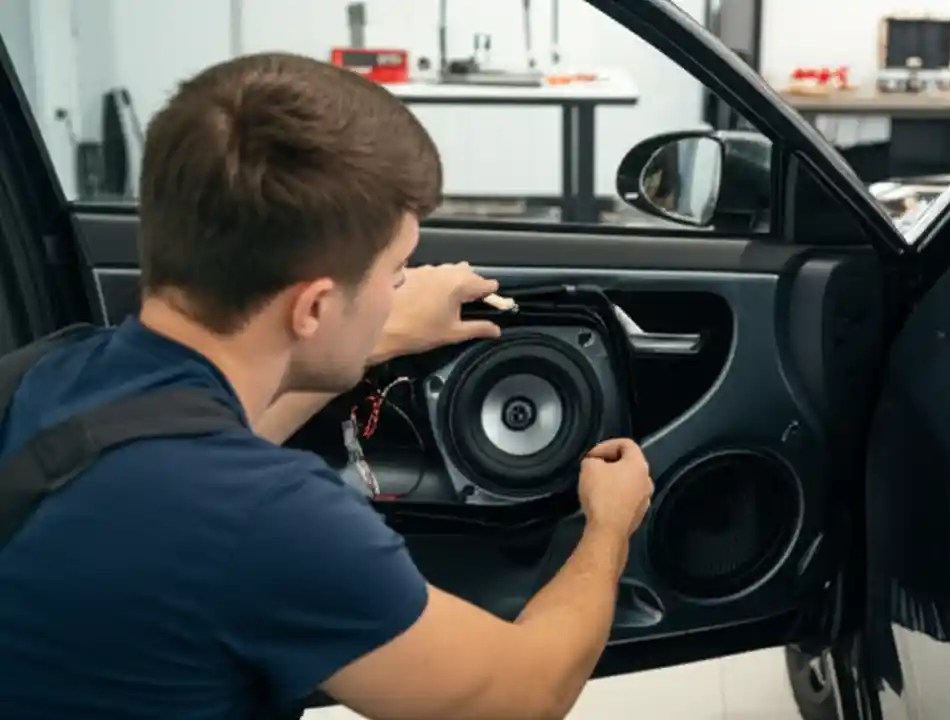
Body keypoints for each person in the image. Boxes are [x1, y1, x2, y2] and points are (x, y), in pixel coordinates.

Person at [0, 52, 653, 719]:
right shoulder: (270, 521)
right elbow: (525, 694)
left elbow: (189, 455)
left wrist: (383, 334)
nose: (401, 288)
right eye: (395, 271)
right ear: (310, 308)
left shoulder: (51, 376)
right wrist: (607, 527)